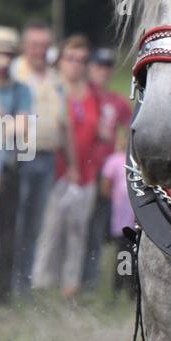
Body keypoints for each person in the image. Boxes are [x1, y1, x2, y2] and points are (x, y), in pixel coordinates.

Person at [32, 35, 101, 299]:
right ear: (60, 61)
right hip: (57, 172)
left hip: (86, 174)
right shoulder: (52, 90)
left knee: (77, 232)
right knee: (50, 231)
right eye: (71, 59)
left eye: (82, 60)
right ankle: (40, 284)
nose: (76, 65)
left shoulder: (93, 94)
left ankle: (70, 286)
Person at [11, 21, 72, 294]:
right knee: (15, 221)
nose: (40, 50)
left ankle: (24, 283)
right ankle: (7, 282)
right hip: (20, 154)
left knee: (35, 224)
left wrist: (71, 162)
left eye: (44, 46)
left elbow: (64, 123)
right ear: (26, 46)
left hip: (47, 155)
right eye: (35, 45)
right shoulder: (15, 74)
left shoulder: (55, 78)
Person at [82, 45, 131, 289]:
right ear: (90, 68)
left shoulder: (117, 102)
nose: (103, 72)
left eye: (107, 68)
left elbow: (131, 128)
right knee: (80, 227)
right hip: (81, 170)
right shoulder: (81, 96)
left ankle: (93, 279)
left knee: (101, 229)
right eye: (99, 67)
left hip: (107, 173)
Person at [0, 26, 31, 304]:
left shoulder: (21, 90)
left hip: (6, 171)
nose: (4, 61)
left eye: (9, 54)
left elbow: (21, 128)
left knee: (7, 233)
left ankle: (2, 293)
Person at [101, 126, 133, 296]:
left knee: (133, 252)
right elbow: (105, 185)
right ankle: (119, 286)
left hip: (135, 219)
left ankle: (131, 288)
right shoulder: (114, 161)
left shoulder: (136, 161)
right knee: (123, 252)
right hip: (121, 218)